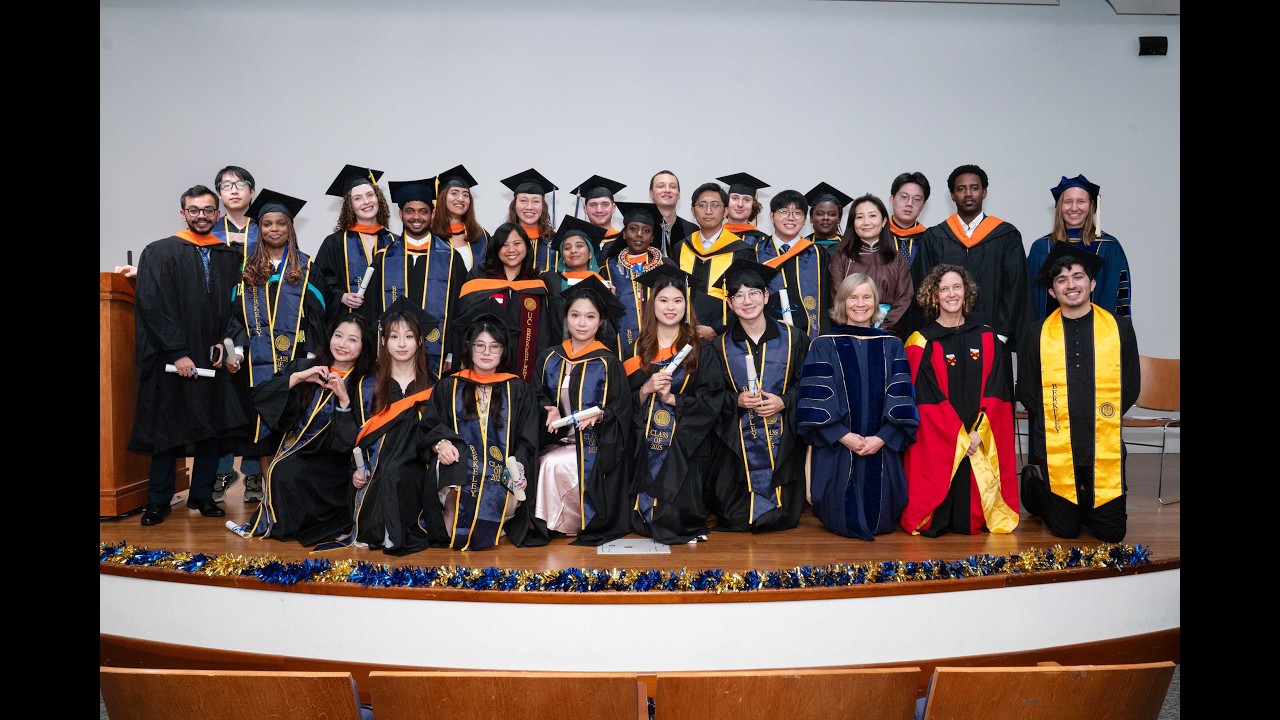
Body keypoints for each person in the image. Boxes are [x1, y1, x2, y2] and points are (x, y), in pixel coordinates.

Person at [131, 185, 250, 526]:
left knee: (212, 427)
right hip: (172, 358)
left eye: (208, 210)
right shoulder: (159, 252)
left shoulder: (228, 255)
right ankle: (158, 500)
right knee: (167, 429)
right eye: (194, 210)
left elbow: (235, 305)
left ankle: (201, 496)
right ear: (183, 213)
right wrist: (179, 353)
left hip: (212, 355)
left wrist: (225, 342)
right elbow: (153, 305)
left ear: (217, 213)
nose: (202, 216)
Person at [1018, 242, 1139, 543]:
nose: (1070, 284)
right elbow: (1027, 389)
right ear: (1052, 292)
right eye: (1061, 279)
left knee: (1112, 533)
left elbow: (1131, 384)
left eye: (1077, 276)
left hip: (1103, 441)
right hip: (1058, 443)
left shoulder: (1119, 328)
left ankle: (1087, 499)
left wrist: (1100, 420)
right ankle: (1034, 486)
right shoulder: (1037, 333)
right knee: (1066, 530)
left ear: (1092, 283)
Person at [232, 314, 377, 545]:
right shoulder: (306, 367)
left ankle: (310, 523)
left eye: (352, 340)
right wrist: (297, 378)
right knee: (283, 469)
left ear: (363, 346)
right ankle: (287, 525)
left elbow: (351, 440)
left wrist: (343, 401)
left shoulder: (366, 383)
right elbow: (261, 397)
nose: (342, 344)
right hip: (296, 448)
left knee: (288, 471)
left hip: (336, 458)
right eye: (338, 336)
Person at [222, 190, 328, 505]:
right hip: (257, 366)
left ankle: (295, 497)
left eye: (281, 223)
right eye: (267, 223)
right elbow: (236, 319)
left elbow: (317, 319)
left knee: (294, 429)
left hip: (297, 363)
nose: (274, 229)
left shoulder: (307, 267)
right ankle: (271, 497)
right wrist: (236, 353)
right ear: (260, 228)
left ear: (290, 227)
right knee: (264, 435)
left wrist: (312, 359)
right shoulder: (246, 269)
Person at [796, 273, 919, 540]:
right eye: (853, 297)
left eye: (867, 297)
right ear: (842, 302)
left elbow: (901, 399)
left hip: (881, 448)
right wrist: (844, 436)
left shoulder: (892, 345)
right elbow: (814, 402)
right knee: (838, 511)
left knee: (883, 517)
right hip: (839, 448)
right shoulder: (823, 345)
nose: (860, 303)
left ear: (876, 303)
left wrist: (881, 438)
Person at [900, 264, 1019, 536]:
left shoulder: (987, 336)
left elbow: (998, 389)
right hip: (942, 436)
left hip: (979, 434)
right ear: (933, 296)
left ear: (967, 293)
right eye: (944, 289)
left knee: (973, 516)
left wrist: (978, 432)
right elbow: (926, 399)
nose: (951, 294)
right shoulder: (920, 342)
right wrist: (958, 436)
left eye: (957, 287)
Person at [623, 264, 726, 544]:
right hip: (643, 446)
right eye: (663, 300)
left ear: (686, 305)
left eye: (678, 301)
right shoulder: (634, 349)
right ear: (652, 304)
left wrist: (674, 400)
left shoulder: (700, 349)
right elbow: (621, 402)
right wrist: (645, 390)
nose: (671, 307)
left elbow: (713, 397)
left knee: (675, 514)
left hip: (684, 446)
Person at [421, 315, 543, 550]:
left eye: (494, 346)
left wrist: (519, 465)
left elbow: (527, 438)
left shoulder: (517, 389)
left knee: (503, 494)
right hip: (459, 465)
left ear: (503, 351)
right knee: (455, 487)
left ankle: (487, 532)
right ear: (469, 348)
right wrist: (441, 444)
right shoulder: (449, 385)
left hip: (501, 468)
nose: (486, 352)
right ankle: (453, 533)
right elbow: (430, 427)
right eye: (480, 345)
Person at [706, 259, 809, 534]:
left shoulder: (795, 338)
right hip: (736, 448)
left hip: (783, 444)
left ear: (766, 296)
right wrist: (734, 400)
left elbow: (808, 386)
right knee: (733, 512)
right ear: (729, 303)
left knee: (784, 514)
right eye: (738, 295)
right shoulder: (719, 346)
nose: (746, 301)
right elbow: (709, 395)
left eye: (753, 293)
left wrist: (784, 401)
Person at [533, 276, 633, 546]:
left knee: (550, 463)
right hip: (558, 438)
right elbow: (537, 392)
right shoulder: (551, 357)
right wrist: (547, 408)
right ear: (566, 318)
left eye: (590, 317)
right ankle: (555, 522)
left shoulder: (607, 362)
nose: (581, 323)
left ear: (600, 321)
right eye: (575, 315)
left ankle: (566, 522)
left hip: (596, 444)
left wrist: (601, 415)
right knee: (540, 459)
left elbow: (621, 409)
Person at [341, 299, 446, 554]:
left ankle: (401, 531)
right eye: (394, 336)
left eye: (409, 336)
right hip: (375, 465)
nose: (401, 344)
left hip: (419, 463)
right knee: (387, 470)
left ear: (420, 341)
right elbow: (358, 435)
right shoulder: (367, 385)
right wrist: (357, 467)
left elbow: (438, 431)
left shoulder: (434, 385)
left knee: (397, 471)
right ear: (384, 341)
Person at [910, 164, 1028, 352]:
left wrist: (1001, 336)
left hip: (993, 338)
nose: (968, 193)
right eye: (961, 188)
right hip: (943, 338)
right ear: (952, 195)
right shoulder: (935, 237)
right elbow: (924, 286)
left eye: (974, 187)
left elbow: (1015, 287)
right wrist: (934, 332)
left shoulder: (1006, 236)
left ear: (984, 192)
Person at [363, 178, 467, 378]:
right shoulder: (384, 258)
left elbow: (459, 309)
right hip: (391, 355)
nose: (416, 217)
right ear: (400, 214)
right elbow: (373, 309)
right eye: (410, 211)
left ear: (433, 214)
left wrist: (451, 353)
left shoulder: (452, 258)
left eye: (423, 211)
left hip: (439, 355)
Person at [210, 165, 262, 499]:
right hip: (218, 321)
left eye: (240, 184)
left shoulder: (268, 228)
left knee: (256, 396)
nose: (234, 189)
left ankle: (254, 473)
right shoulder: (208, 231)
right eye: (226, 185)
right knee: (222, 399)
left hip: (259, 322)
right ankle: (222, 469)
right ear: (219, 194)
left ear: (251, 193)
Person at [451, 223, 556, 383]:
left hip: (524, 369)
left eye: (517, 243)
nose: (511, 250)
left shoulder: (537, 283)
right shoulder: (479, 278)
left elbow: (544, 333)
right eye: (504, 245)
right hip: (482, 363)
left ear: (527, 247)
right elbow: (463, 324)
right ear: (496, 249)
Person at [1026, 174, 1132, 321]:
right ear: (1059, 207)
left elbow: (1120, 300)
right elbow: (1029, 300)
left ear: (1091, 206)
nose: (1074, 208)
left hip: (1099, 337)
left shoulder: (1108, 247)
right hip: (1049, 338)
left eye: (1081, 201)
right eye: (1068, 202)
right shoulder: (1041, 247)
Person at [667, 182, 758, 340]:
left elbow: (746, 298)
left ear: (725, 211)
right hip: (681, 332)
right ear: (693, 211)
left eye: (715, 205)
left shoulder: (742, 251)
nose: (708, 211)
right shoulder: (681, 247)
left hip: (726, 335)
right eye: (702, 205)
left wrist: (717, 329)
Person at [314, 165, 395, 322]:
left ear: (378, 197)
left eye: (370, 195)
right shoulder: (334, 243)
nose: (366, 202)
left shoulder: (395, 242)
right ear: (349, 206)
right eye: (357, 198)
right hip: (348, 326)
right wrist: (341, 296)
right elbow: (320, 282)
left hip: (387, 326)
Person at [829, 194, 914, 336]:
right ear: (852, 222)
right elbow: (837, 297)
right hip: (849, 333)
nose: (866, 222)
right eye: (860, 217)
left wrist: (882, 329)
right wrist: (856, 327)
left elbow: (904, 297)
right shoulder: (842, 258)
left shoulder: (897, 259)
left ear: (884, 221)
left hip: (887, 334)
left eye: (872, 216)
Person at [755, 189, 830, 343]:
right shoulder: (757, 252)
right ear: (772, 216)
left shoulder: (816, 253)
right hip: (767, 335)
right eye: (783, 211)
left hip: (809, 335)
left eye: (797, 213)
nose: (790, 218)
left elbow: (826, 300)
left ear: (804, 219)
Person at [602, 201, 669, 358]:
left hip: (662, 342)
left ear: (652, 237)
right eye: (633, 229)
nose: (639, 234)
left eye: (646, 231)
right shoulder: (608, 269)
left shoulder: (666, 266)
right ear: (624, 234)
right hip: (621, 343)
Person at [427, 164, 488, 272]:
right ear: (442, 197)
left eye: (465, 195)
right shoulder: (429, 234)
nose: (461, 199)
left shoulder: (481, 236)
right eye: (454, 193)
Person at [500, 168, 560, 274]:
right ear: (514, 205)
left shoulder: (555, 242)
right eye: (523, 200)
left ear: (543, 206)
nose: (529, 207)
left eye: (536, 201)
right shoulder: (501, 239)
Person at [649, 169, 698, 257]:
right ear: (651, 194)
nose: (667, 190)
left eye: (673, 187)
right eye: (661, 186)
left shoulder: (692, 231)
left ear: (679, 194)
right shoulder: (640, 230)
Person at [888, 171, 931, 270]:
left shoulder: (930, 240)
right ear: (891, 199)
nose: (909, 204)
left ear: (923, 205)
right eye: (904, 197)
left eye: (916, 199)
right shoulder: (878, 236)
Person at [571, 174, 626, 250]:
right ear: (585, 209)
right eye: (593, 205)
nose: (599, 210)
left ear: (613, 208)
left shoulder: (624, 242)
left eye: (605, 204)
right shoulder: (575, 243)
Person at [717, 172, 771, 248]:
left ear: (753, 206)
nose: (740, 204)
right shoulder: (713, 236)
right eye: (735, 198)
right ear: (726, 202)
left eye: (746, 200)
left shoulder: (763, 242)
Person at [804, 181, 854, 260]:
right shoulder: (801, 247)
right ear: (811, 218)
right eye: (820, 214)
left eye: (832, 214)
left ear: (839, 219)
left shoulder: (850, 247)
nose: (826, 218)